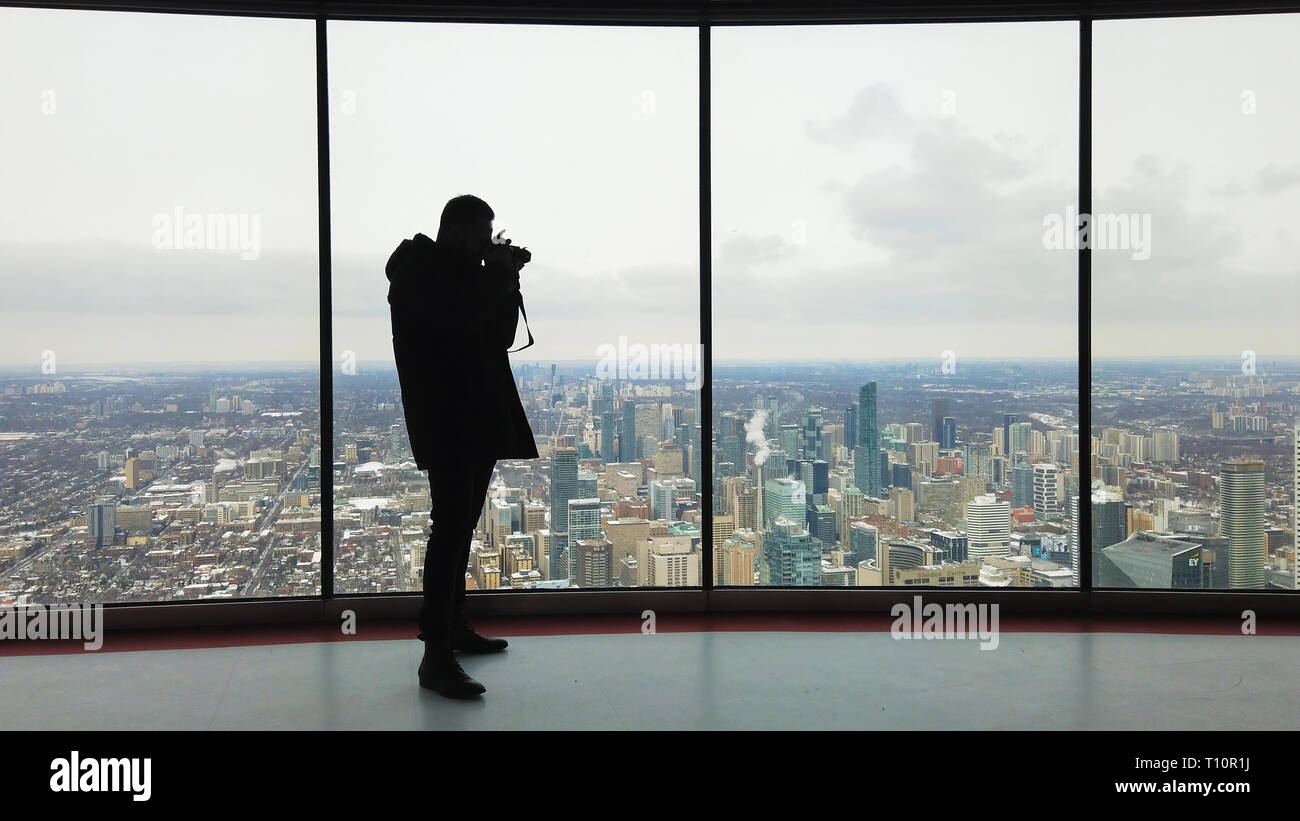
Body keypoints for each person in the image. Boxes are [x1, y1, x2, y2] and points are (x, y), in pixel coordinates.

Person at [385, 194, 539, 699]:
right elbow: (459, 319)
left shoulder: (466, 275)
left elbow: (495, 336)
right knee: (448, 528)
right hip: (447, 417)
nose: (482, 248)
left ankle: (453, 628)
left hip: (475, 415)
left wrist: (506, 278)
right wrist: (494, 274)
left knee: (463, 524)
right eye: (478, 238)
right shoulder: (418, 272)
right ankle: (435, 655)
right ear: (454, 232)